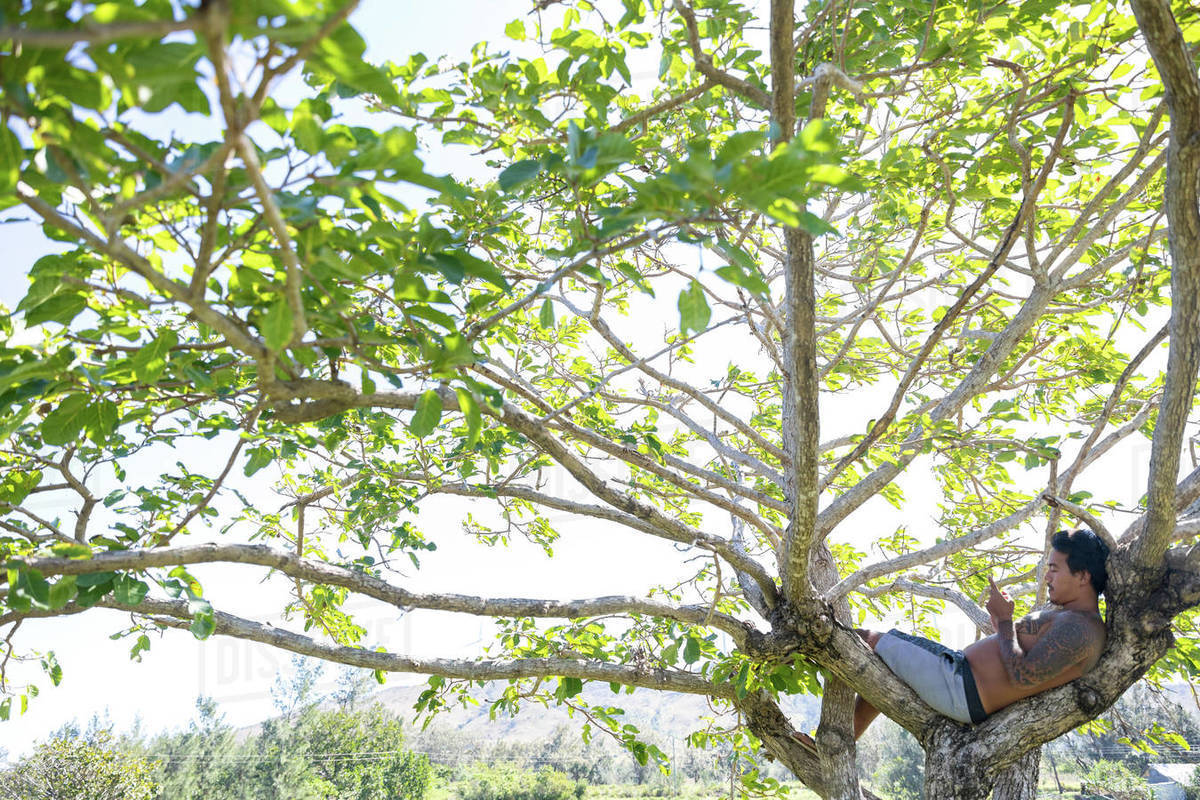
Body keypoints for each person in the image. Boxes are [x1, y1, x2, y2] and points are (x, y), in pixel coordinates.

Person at [850, 528, 1109, 738]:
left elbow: (1024, 677)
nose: (1046, 578)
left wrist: (1007, 620)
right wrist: (1000, 621)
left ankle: (834, 740)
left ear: (1083, 576)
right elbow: (1012, 654)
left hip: (960, 685)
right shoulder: (1071, 619)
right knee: (882, 663)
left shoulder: (1082, 628)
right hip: (959, 681)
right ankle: (843, 739)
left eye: (1054, 569)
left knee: (864, 638)